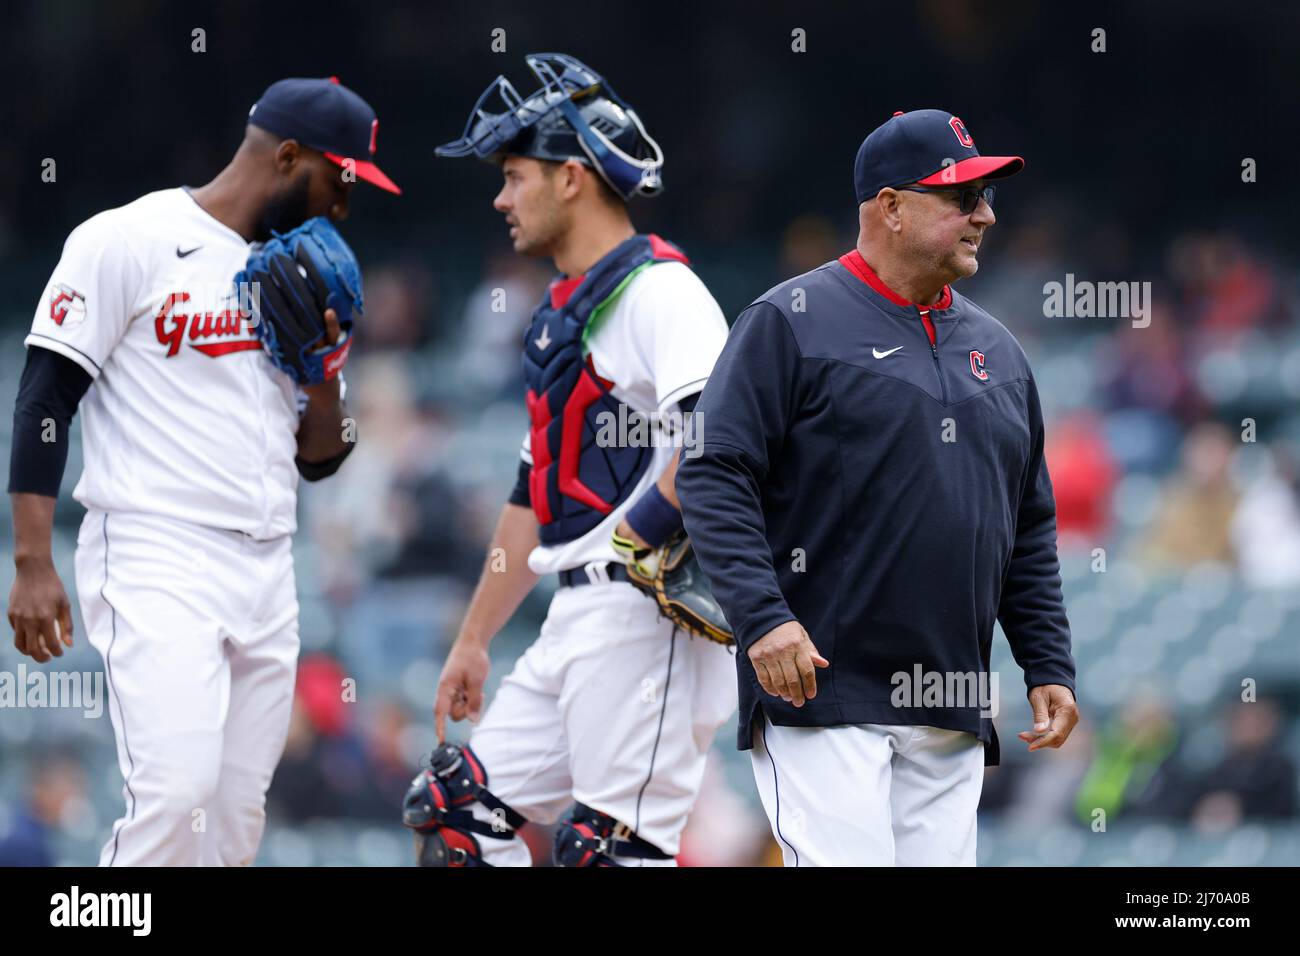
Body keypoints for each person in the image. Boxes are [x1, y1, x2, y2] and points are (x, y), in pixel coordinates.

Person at [6, 76, 400, 866]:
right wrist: (32, 558)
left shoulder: (300, 273)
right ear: (287, 156)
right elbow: (46, 396)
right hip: (158, 550)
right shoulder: (129, 238)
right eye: (340, 180)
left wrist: (325, 374)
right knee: (177, 793)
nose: (345, 207)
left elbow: (325, 458)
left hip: (267, 564)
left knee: (230, 828)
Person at [677, 109, 1080, 866]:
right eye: (962, 197)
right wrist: (763, 620)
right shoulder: (789, 321)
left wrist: (1046, 662)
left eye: (987, 197)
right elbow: (712, 471)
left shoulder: (1001, 352)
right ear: (890, 206)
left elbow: (1027, 523)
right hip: (825, 692)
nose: (985, 216)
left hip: (951, 696)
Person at [413, 53, 735, 867]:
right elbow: (534, 490)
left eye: (515, 175)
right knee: (456, 819)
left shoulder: (664, 292)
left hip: (647, 615)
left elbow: (721, 435)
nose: (501, 197)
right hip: (573, 615)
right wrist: (475, 637)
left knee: (607, 854)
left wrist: (645, 538)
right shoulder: (562, 317)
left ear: (572, 179)